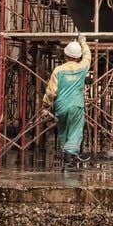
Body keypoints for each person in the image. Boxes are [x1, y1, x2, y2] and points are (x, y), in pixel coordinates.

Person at [42, 36, 92, 170]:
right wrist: (83, 41)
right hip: (76, 106)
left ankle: (67, 157)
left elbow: (51, 91)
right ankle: (70, 161)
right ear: (78, 57)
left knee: (63, 131)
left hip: (60, 107)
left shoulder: (58, 70)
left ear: (65, 55)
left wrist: (45, 106)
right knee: (75, 132)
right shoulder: (82, 67)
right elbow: (88, 55)